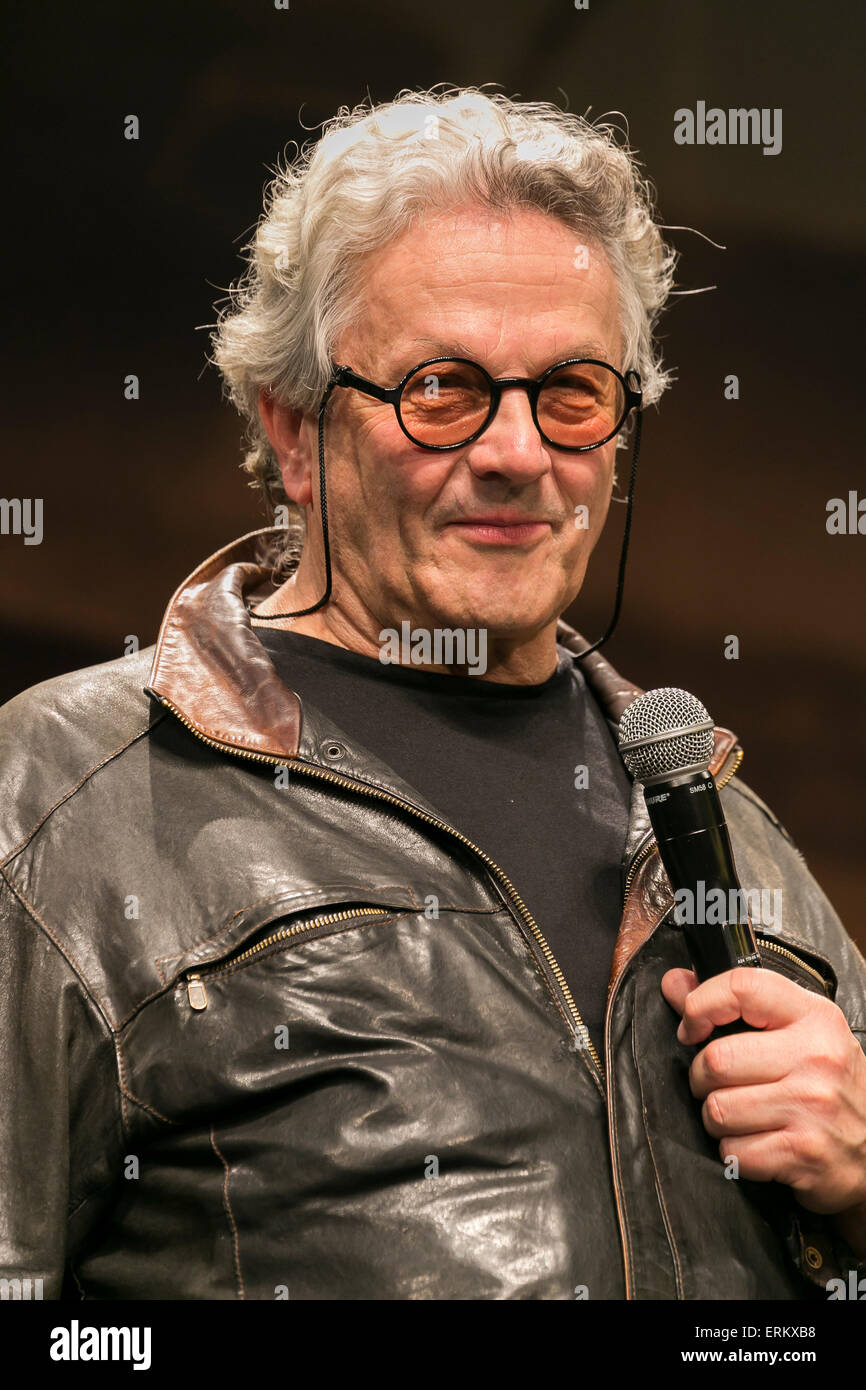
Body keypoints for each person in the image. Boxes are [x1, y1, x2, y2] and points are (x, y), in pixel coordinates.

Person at [1, 87, 864, 1302]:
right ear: (293, 430)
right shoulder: (63, 791)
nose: (517, 454)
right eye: (443, 388)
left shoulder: (726, 831)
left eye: (570, 391)